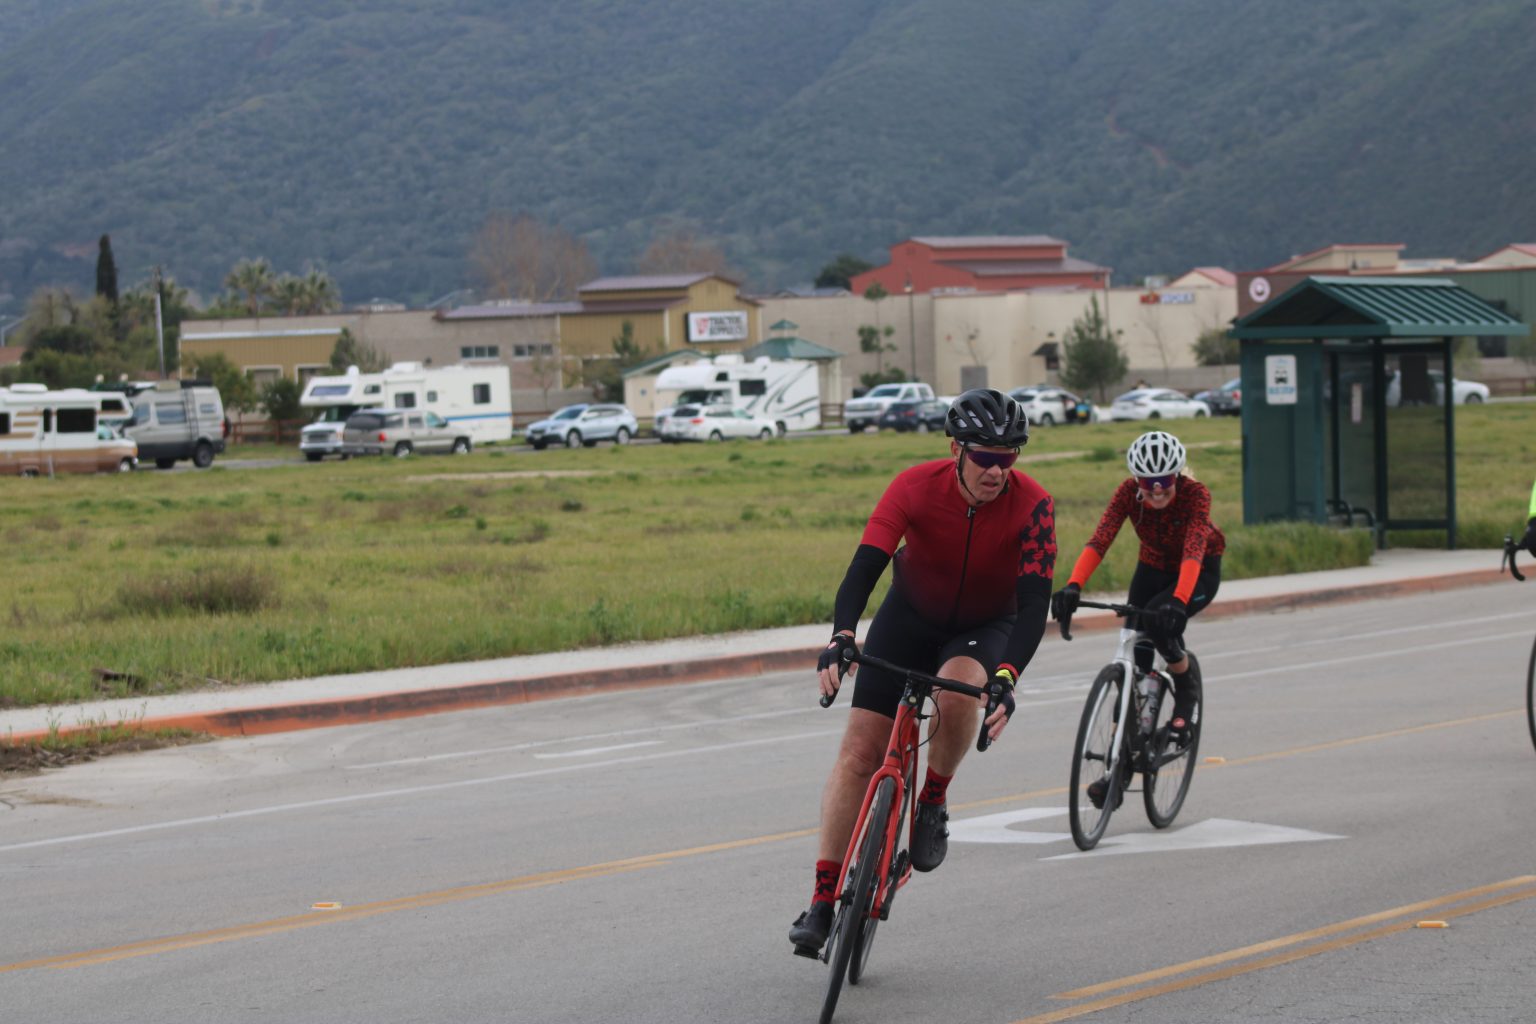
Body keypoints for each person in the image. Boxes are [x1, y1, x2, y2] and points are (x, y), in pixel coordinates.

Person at [788, 388, 1056, 957]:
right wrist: (841, 636)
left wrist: (1007, 676)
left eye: (1009, 457)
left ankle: (932, 798)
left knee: (962, 694)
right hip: (908, 617)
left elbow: (1035, 603)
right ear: (955, 448)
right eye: (985, 457)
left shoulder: (1034, 505)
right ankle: (821, 898)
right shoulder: (913, 486)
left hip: (985, 625)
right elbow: (866, 564)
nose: (997, 471)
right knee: (860, 754)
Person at [1049, 430, 1223, 807]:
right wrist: (1073, 585)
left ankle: (1186, 684)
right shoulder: (1128, 494)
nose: (1157, 495)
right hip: (1152, 568)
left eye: (1165, 485)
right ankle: (1122, 763)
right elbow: (1100, 540)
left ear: (1177, 476)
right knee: (1133, 661)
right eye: (1149, 487)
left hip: (1197, 571)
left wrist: (1178, 602)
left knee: (1161, 626)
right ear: (1137, 482)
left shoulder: (1196, 495)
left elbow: (1194, 549)